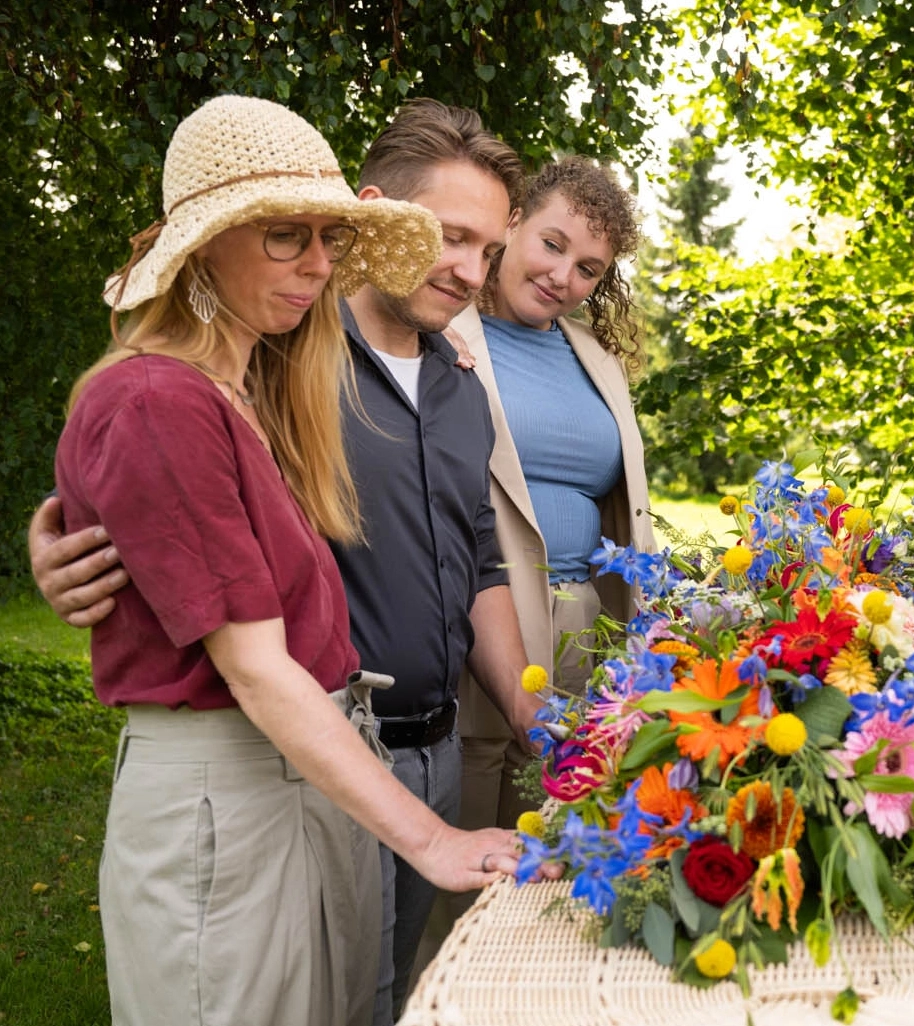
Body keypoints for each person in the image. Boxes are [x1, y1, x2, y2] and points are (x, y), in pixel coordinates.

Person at [33, 98, 547, 1023]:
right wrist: (429, 839)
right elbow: (256, 666)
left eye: (325, 239)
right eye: (283, 236)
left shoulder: (267, 376)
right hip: (235, 773)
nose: (315, 263)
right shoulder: (175, 392)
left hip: (308, 770)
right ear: (204, 243)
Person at [443, 155, 657, 839]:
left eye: (589, 269)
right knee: (479, 830)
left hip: (586, 624)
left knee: (568, 837)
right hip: (483, 616)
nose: (562, 278)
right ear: (513, 225)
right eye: (551, 244)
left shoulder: (594, 357)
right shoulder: (442, 335)